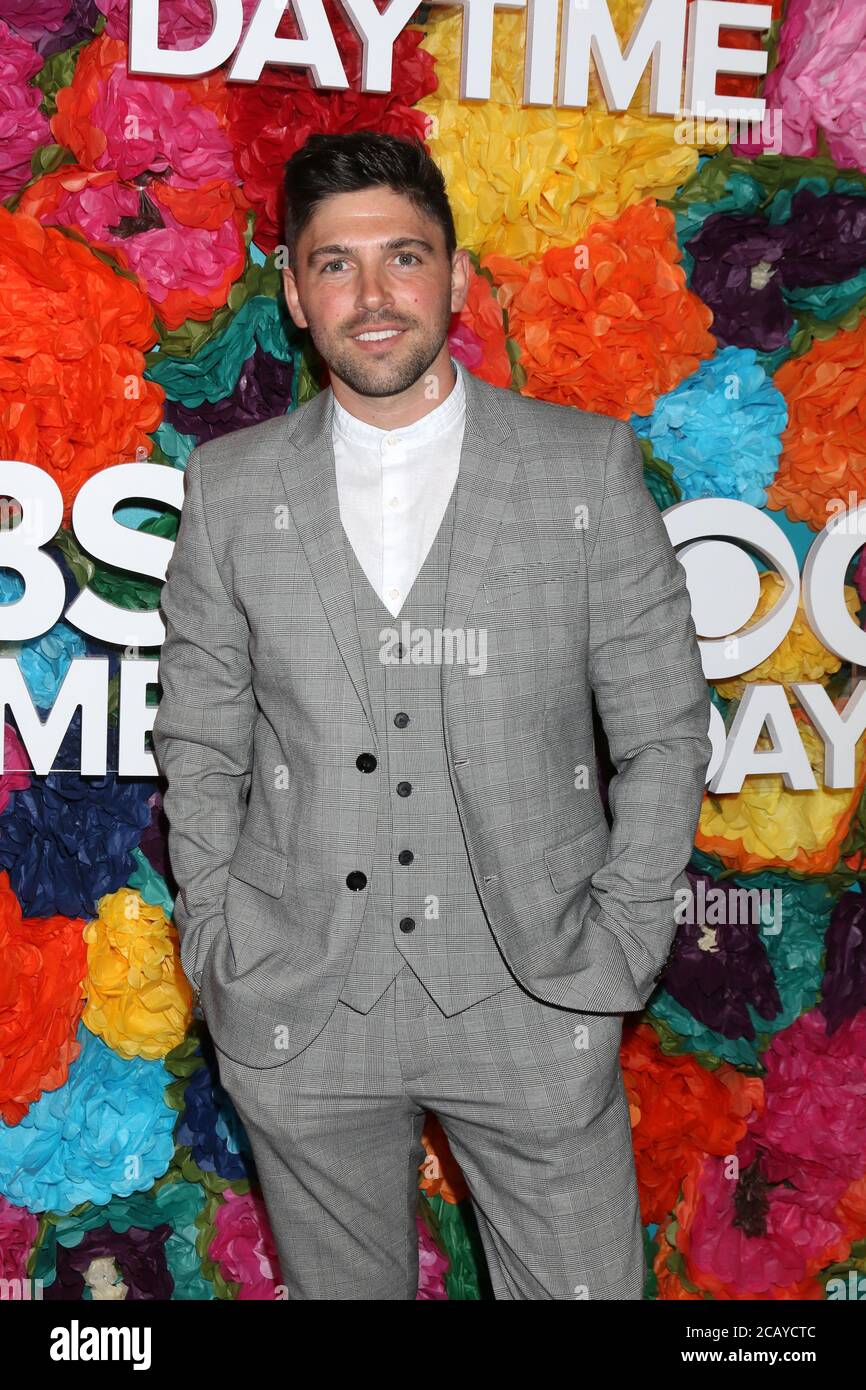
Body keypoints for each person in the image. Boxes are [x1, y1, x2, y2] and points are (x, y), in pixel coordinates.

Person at [152, 129, 713, 1300]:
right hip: (300, 1000)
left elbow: (662, 727)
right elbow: (201, 741)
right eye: (334, 264)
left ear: (455, 278)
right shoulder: (232, 487)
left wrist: (614, 942)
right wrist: (218, 940)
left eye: (403, 258)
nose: (372, 295)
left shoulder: (583, 470)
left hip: (534, 993)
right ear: (295, 293)